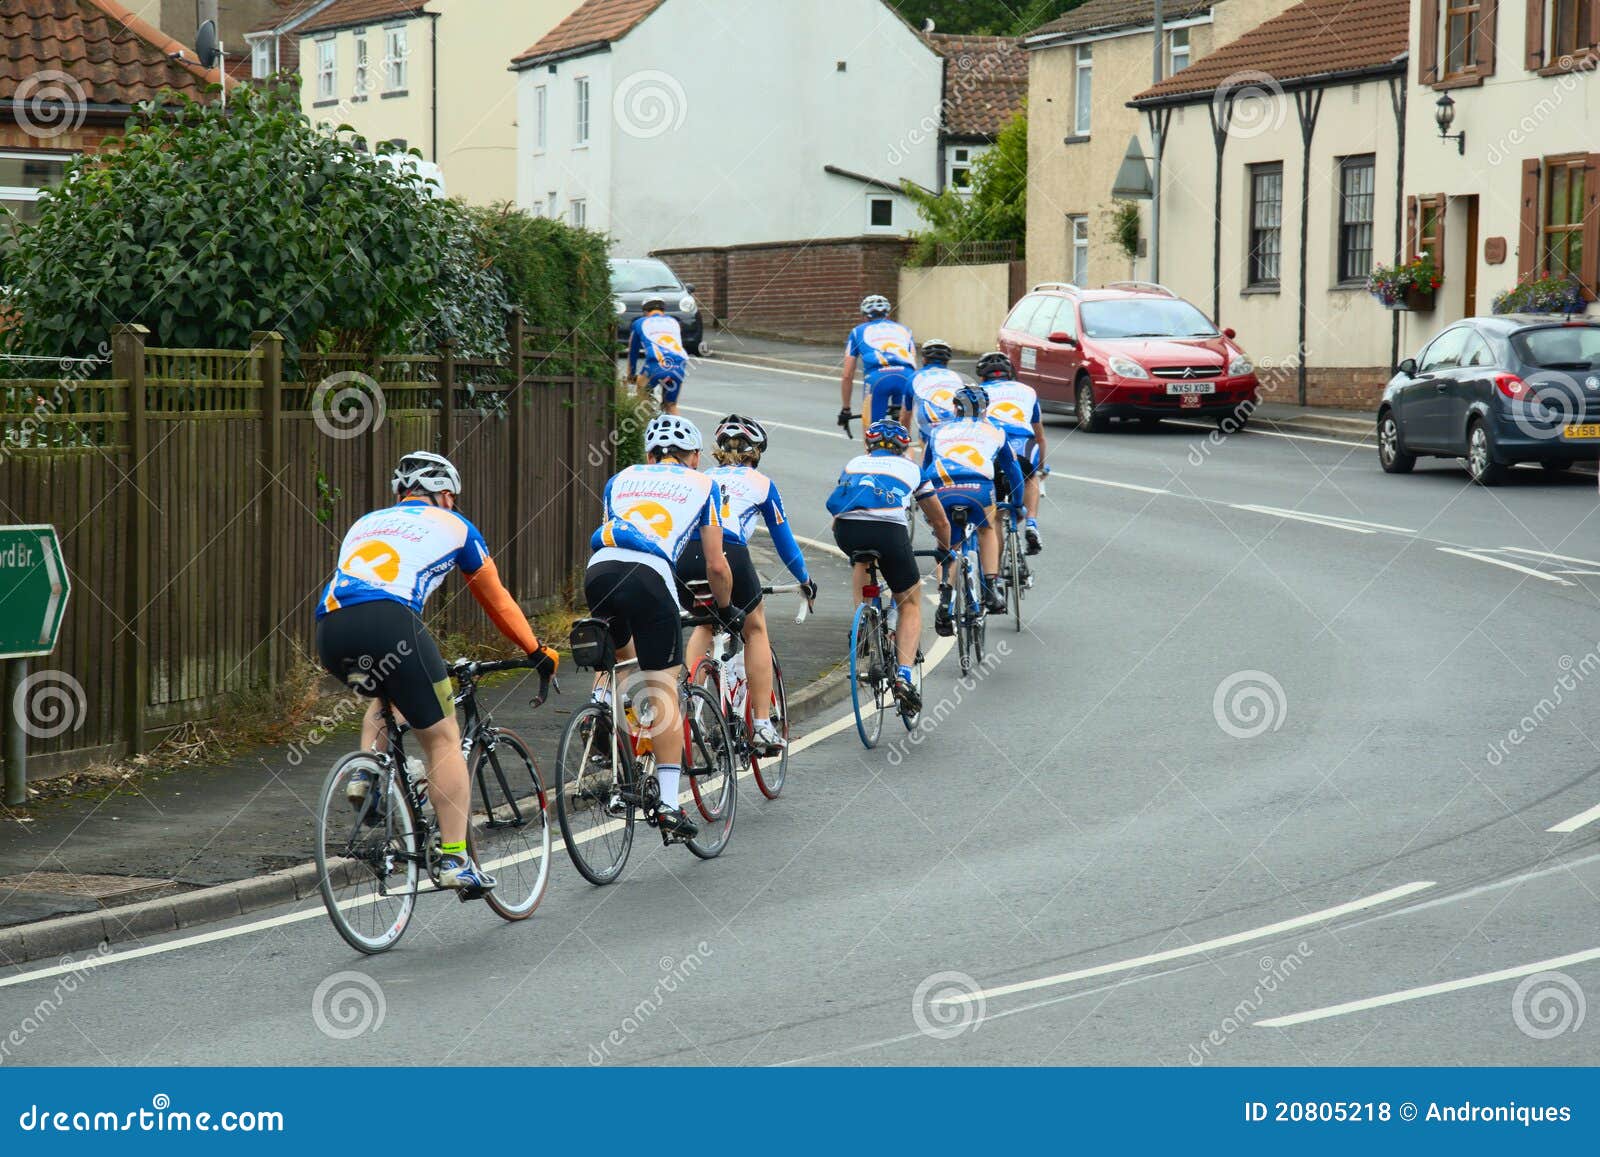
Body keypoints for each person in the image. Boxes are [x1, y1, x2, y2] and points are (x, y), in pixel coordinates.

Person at [315, 451, 560, 895]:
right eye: (453, 498)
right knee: (443, 736)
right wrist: (535, 649)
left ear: (400, 495)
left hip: (331, 629)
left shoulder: (365, 522)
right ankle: (455, 860)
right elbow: (496, 600)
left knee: (387, 697)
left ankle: (367, 773)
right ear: (445, 495)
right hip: (391, 624)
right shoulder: (456, 526)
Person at [585, 414, 737, 838]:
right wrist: (725, 608)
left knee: (622, 660)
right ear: (692, 457)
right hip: (651, 573)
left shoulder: (620, 479)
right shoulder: (706, 485)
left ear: (650, 455)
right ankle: (669, 803)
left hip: (598, 570)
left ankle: (606, 720)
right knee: (664, 681)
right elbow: (715, 562)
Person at [679, 415, 818, 754]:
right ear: (756, 453)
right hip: (728, 553)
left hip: (685, 555)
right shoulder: (761, 483)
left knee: (706, 622)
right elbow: (785, 544)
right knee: (755, 628)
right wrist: (804, 580)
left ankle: (689, 706)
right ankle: (761, 725)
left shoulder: (699, 477)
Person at [826, 418, 953, 715]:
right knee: (909, 602)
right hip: (888, 533)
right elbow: (939, 520)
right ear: (903, 447)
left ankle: (862, 620)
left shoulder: (854, 463)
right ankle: (905, 676)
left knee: (862, 558)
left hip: (846, 531)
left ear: (869, 445)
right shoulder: (912, 468)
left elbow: (839, 507)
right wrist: (944, 549)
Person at [923, 385, 1027, 630]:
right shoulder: (995, 431)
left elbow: (924, 469)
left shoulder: (937, 431)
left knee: (948, 545)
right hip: (979, 488)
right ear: (985, 409)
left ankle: (945, 600)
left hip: (941, 489)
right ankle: (990, 589)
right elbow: (1013, 471)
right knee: (987, 529)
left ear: (955, 408)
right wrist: (1018, 503)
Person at [975, 351, 1046, 555]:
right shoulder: (1027, 390)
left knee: (995, 514)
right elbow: (1039, 435)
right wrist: (1041, 465)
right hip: (1023, 442)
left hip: (992, 443)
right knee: (1031, 476)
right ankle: (1031, 522)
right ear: (1010, 374)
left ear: (982, 376)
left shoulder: (976, 391)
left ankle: (994, 576)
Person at [839, 295, 915, 442]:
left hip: (877, 379)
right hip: (906, 377)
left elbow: (847, 375)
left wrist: (846, 408)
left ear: (864, 317)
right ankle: (906, 457)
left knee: (872, 434)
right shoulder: (905, 330)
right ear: (888, 314)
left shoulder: (857, 332)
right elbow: (913, 363)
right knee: (904, 433)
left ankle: (873, 458)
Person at [628, 297, 689, 415]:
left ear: (645, 312)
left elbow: (633, 352)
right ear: (663, 311)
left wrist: (631, 375)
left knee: (641, 395)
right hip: (679, 363)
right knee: (671, 405)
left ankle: (644, 423)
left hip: (656, 362)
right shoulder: (674, 322)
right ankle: (680, 429)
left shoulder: (639, 322)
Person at [909, 338, 964, 449]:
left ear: (924, 359)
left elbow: (905, 414)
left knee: (926, 445)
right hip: (954, 424)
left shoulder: (914, 377)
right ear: (947, 360)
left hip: (929, 423)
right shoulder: (956, 377)